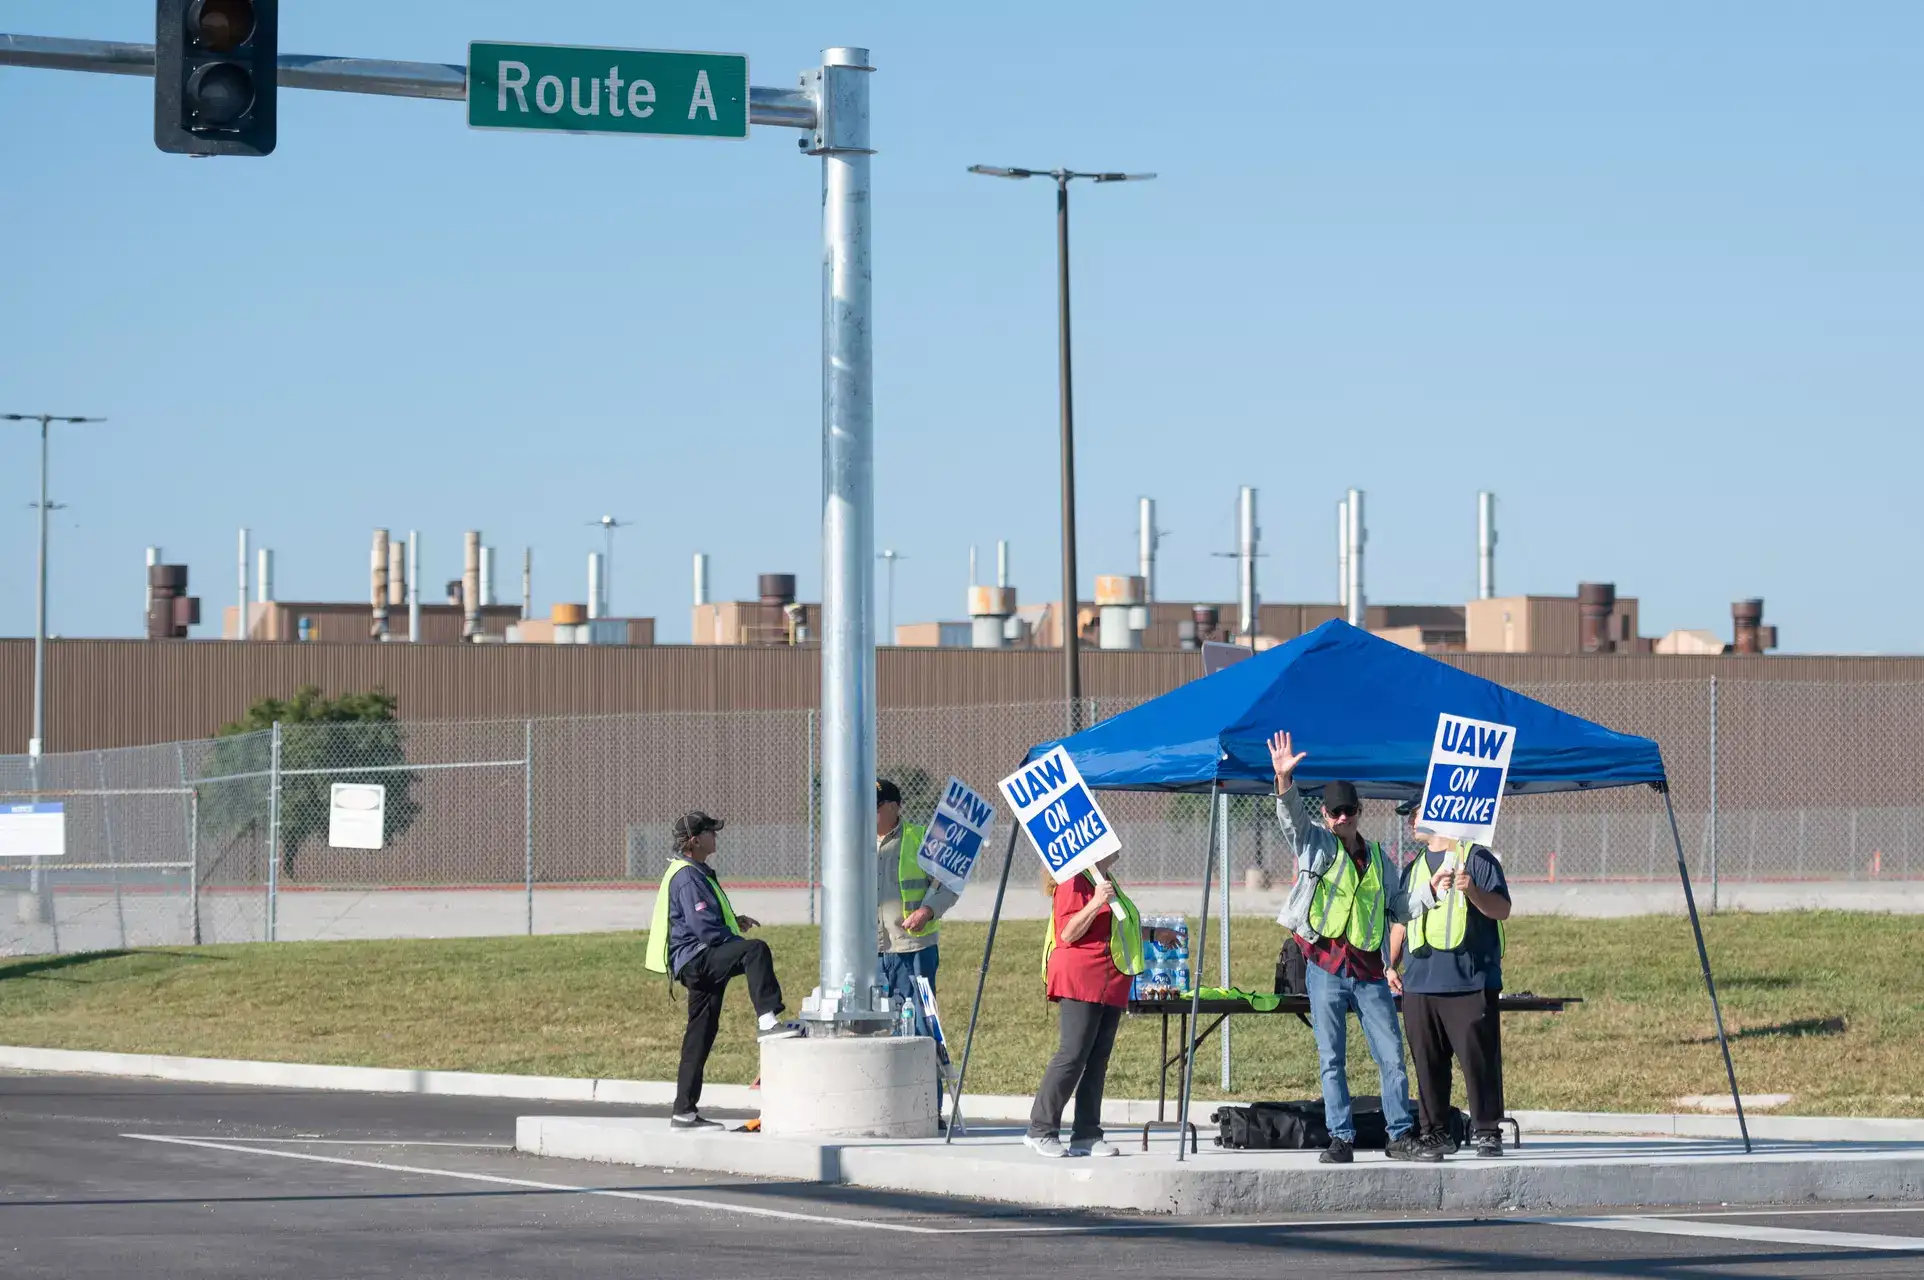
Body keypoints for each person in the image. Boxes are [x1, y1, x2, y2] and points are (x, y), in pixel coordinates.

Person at [1268, 729, 1436, 1165]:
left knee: (1392, 1057)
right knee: (1331, 1059)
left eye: (1349, 811)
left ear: (1359, 813)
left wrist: (1431, 892)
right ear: (1325, 816)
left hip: (1369, 972)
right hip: (1325, 967)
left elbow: (1399, 907)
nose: (1342, 818)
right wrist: (1285, 782)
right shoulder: (1316, 845)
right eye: (1334, 812)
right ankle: (1340, 1138)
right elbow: (1292, 823)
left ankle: (1399, 1134)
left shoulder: (1380, 858)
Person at [643, 810, 799, 1131]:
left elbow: (708, 921)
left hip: (695, 959)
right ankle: (768, 1021)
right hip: (698, 958)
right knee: (755, 951)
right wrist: (734, 941)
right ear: (695, 840)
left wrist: (733, 923)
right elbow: (705, 929)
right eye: (711, 832)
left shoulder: (696, 871)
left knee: (699, 1037)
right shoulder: (687, 876)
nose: (716, 836)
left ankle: (683, 1112)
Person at [1389, 808, 1514, 1158]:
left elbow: (1501, 909)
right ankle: (1435, 1132)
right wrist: (1390, 963)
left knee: (1479, 1062)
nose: (1409, 821)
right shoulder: (1414, 867)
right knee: (1427, 1064)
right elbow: (1401, 918)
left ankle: (1487, 1131)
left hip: (1468, 982)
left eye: (1414, 813)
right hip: (1419, 983)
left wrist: (1471, 890)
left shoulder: (1476, 857)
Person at [1026, 852, 1145, 1158]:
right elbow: (1067, 932)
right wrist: (1095, 901)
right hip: (1082, 978)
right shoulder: (1073, 880)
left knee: (1097, 1060)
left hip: (1111, 979)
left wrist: (1155, 934)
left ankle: (1087, 1134)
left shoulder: (1103, 880)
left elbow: (1114, 926)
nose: (1117, 845)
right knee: (1073, 1054)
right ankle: (1040, 1129)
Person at [875, 779, 959, 1032]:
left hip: (913, 948)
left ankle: (927, 1072)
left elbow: (950, 885)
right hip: (870, 951)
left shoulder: (922, 838)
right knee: (877, 1027)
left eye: (876, 805)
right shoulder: (853, 843)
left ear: (895, 807)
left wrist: (927, 910)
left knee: (920, 1024)